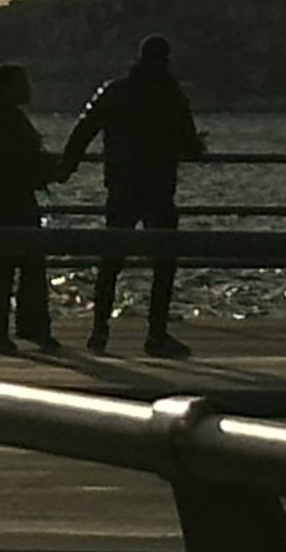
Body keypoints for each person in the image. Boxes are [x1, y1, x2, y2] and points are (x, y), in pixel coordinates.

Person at [57, 33, 202, 357]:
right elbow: (189, 144)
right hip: (159, 188)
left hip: (121, 185)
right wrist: (195, 147)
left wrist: (66, 168)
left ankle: (99, 332)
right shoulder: (172, 96)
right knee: (164, 261)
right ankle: (156, 334)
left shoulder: (114, 91)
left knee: (112, 261)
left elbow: (83, 130)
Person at [0, 61, 61, 351]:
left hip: (2, 194)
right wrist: (47, 169)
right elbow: (16, 160)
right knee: (23, 261)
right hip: (11, 196)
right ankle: (24, 325)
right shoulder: (7, 119)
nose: (28, 89)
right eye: (22, 83)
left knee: (7, 262)